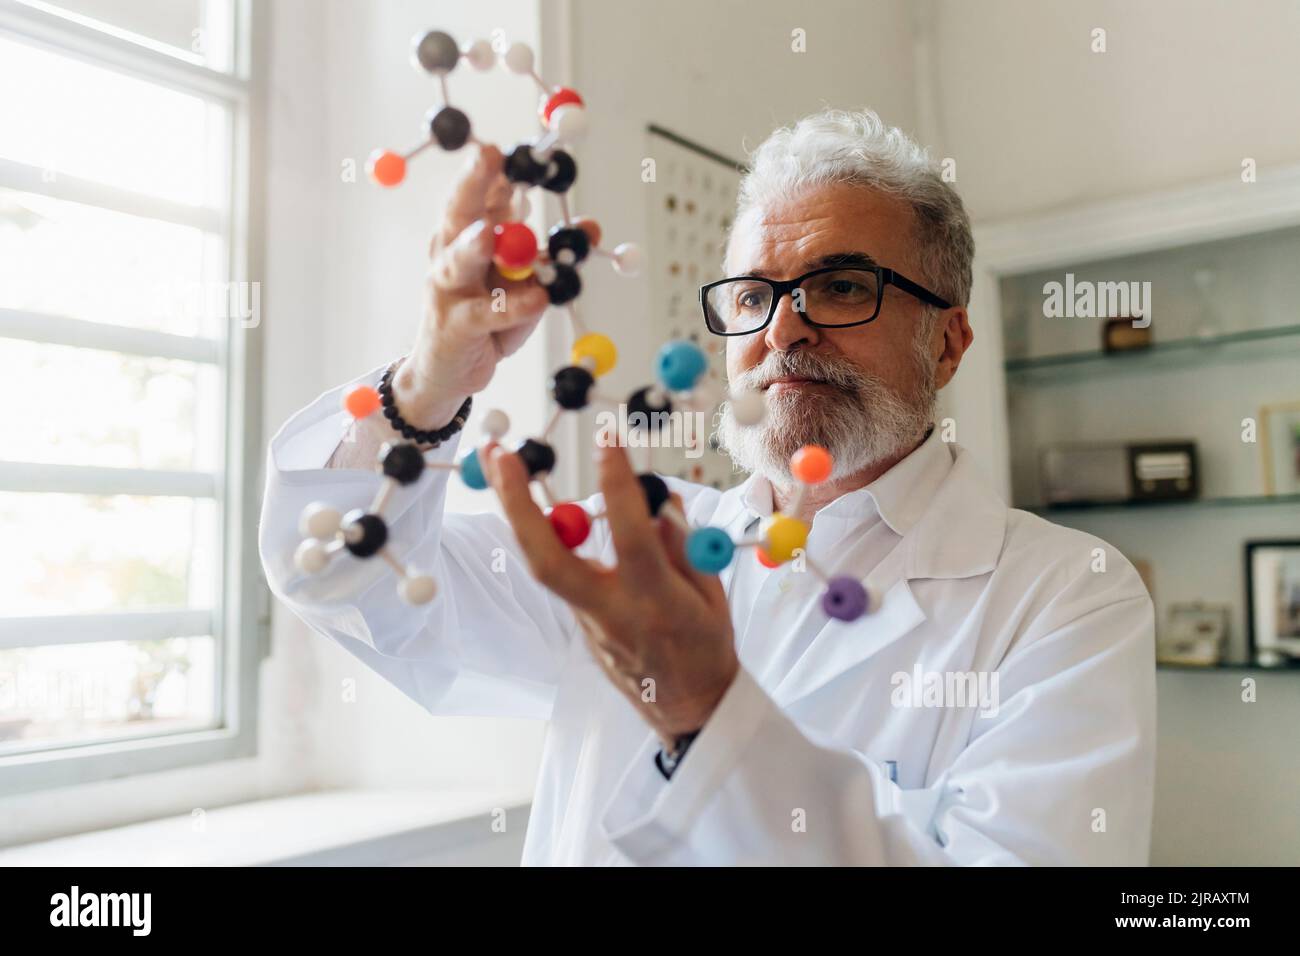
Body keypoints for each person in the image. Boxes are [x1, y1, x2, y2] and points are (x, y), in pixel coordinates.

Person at [259, 108, 1156, 866]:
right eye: (751, 297)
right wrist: (427, 381)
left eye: (842, 286)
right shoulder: (634, 539)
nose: (786, 328)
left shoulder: (1064, 597)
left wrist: (702, 708)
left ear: (949, 343)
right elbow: (344, 581)